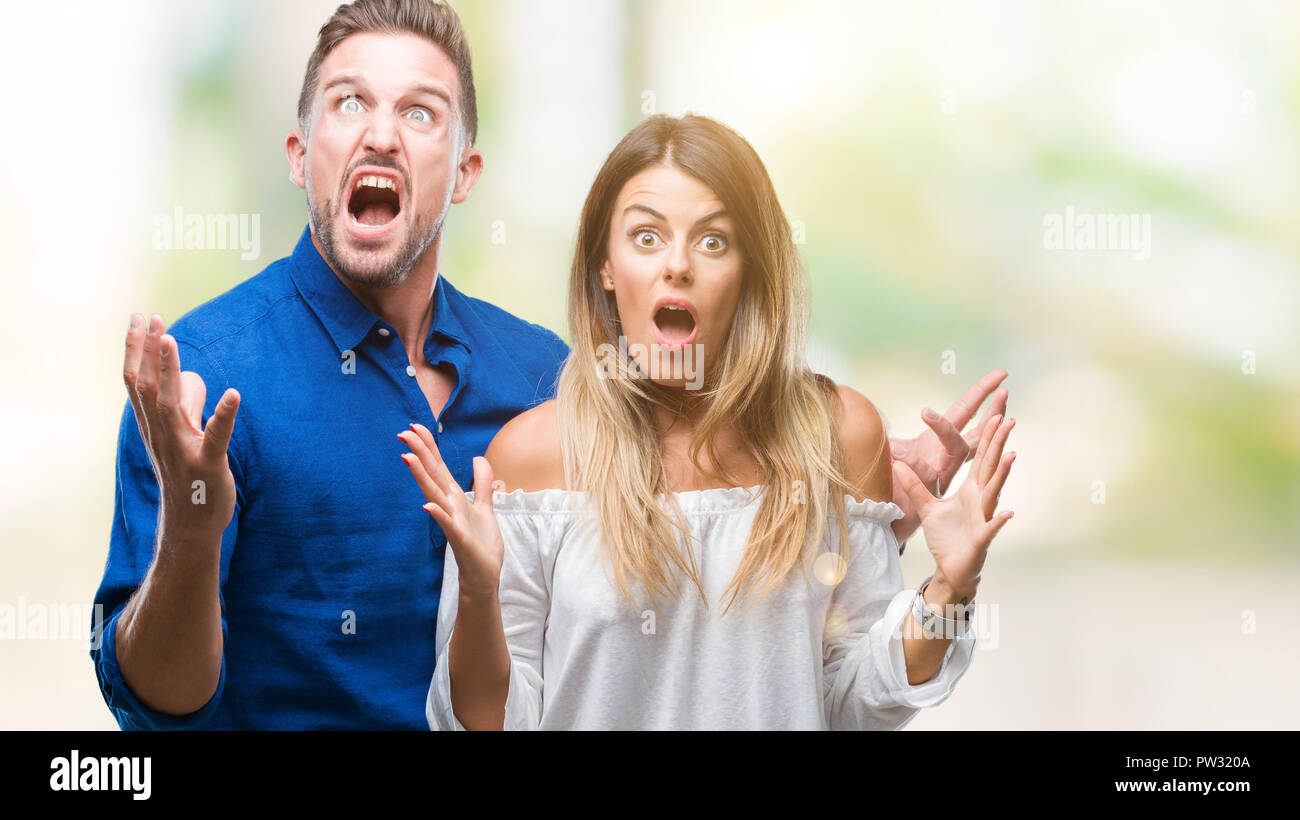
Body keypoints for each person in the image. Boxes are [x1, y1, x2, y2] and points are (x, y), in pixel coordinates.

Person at [96, 0, 1007, 730]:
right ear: (300, 155)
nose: (381, 136)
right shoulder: (201, 380)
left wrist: (844, 504)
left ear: (465, 172)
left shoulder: (547, 375)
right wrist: (194, 522)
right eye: (349, 103)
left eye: (419, 112)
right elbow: (155, 703)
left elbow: (700, 614)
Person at [406, 114, 1017, 730]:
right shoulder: (532, 457)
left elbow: (856, 706)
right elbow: (490, 724)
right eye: (646, 236)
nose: (678, 265)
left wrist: (950, 589)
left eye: (713, 241)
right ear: (606, 266)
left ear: (751, 269)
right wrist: (478, 593)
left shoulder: (837, 436)